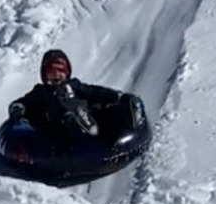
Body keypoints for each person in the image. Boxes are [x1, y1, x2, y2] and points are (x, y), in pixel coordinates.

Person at [8, 50, 136, 144]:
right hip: (61, 128)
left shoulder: (75, 85)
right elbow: (25, 102)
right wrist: (18, 108)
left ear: (67, 73)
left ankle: (130, 117)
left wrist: (115, 96)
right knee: (69, 119)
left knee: (108, 112)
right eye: (52, 72)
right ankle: (80, 121)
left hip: (89, 118)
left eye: (60, 71)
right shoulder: (41, 92)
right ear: (45, 75)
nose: (57, 75)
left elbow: (94, 92)